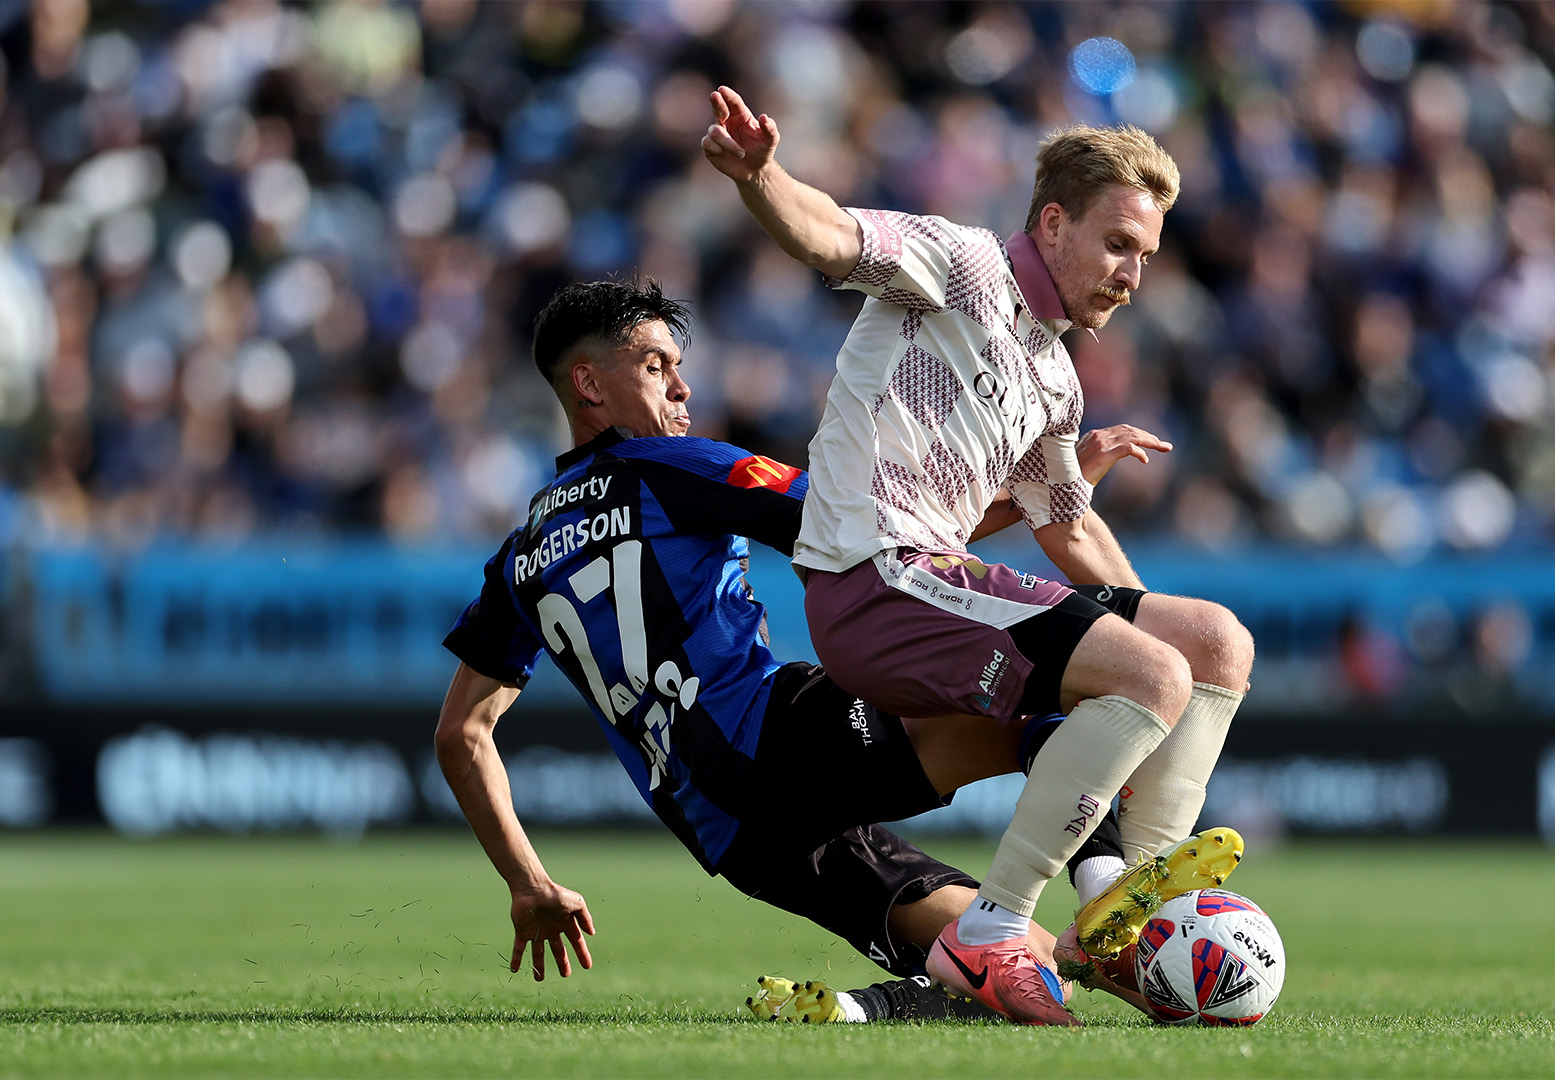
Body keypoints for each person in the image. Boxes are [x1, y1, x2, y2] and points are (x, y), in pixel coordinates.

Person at [434, 278, 1219, 1024]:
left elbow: (461, 734)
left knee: (1019, 977)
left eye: (679, 366)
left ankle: (857, 1009)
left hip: (728, 831)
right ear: (589, 386)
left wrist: (528, 883)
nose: (681, 388)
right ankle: (1106, 882)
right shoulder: (674, 469)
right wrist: (1052, 487)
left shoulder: (522, 553)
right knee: (1054, 702)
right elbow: (867, 528)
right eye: (655, 365)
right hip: (778, 739)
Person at [704, 85, 1255, 1024]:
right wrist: (762, 177)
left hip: (934, 583)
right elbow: (831, 237)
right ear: (1052, 221)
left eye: (1147, 257)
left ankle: (1148, 907)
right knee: (1150, 675)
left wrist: (1154, 650)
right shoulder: (961, 266)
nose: (1132, 275)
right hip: (874, 580)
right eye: (1118, 244)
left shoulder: (1054, 375)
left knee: (1213, 643)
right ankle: (994, 929)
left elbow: (1070, 530)